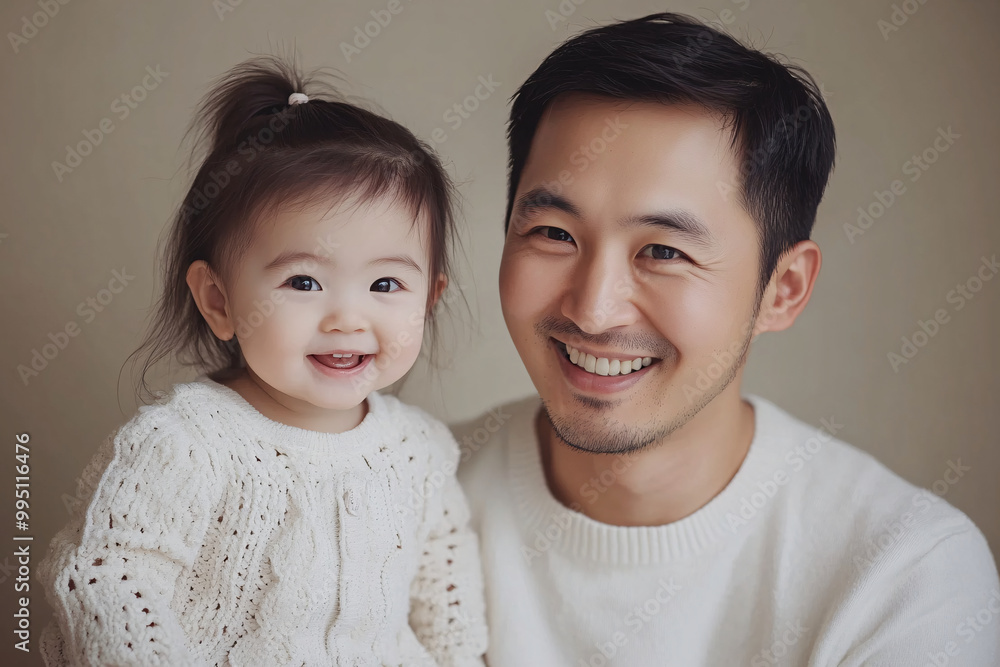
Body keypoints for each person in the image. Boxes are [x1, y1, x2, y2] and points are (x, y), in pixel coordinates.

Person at [455, 12, 1000, 666]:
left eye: (662, 250)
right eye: (554, 234)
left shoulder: (904, 570)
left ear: (784, 289)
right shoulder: (397, 494)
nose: (594, 310)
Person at [38, 57, 487, 666]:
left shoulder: (420, 450)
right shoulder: (186, 445)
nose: (348, 319)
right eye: (304, 282)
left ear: (430, 299)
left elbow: (446, 597)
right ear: (219, 301)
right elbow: (108, 581)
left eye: (386, 286)